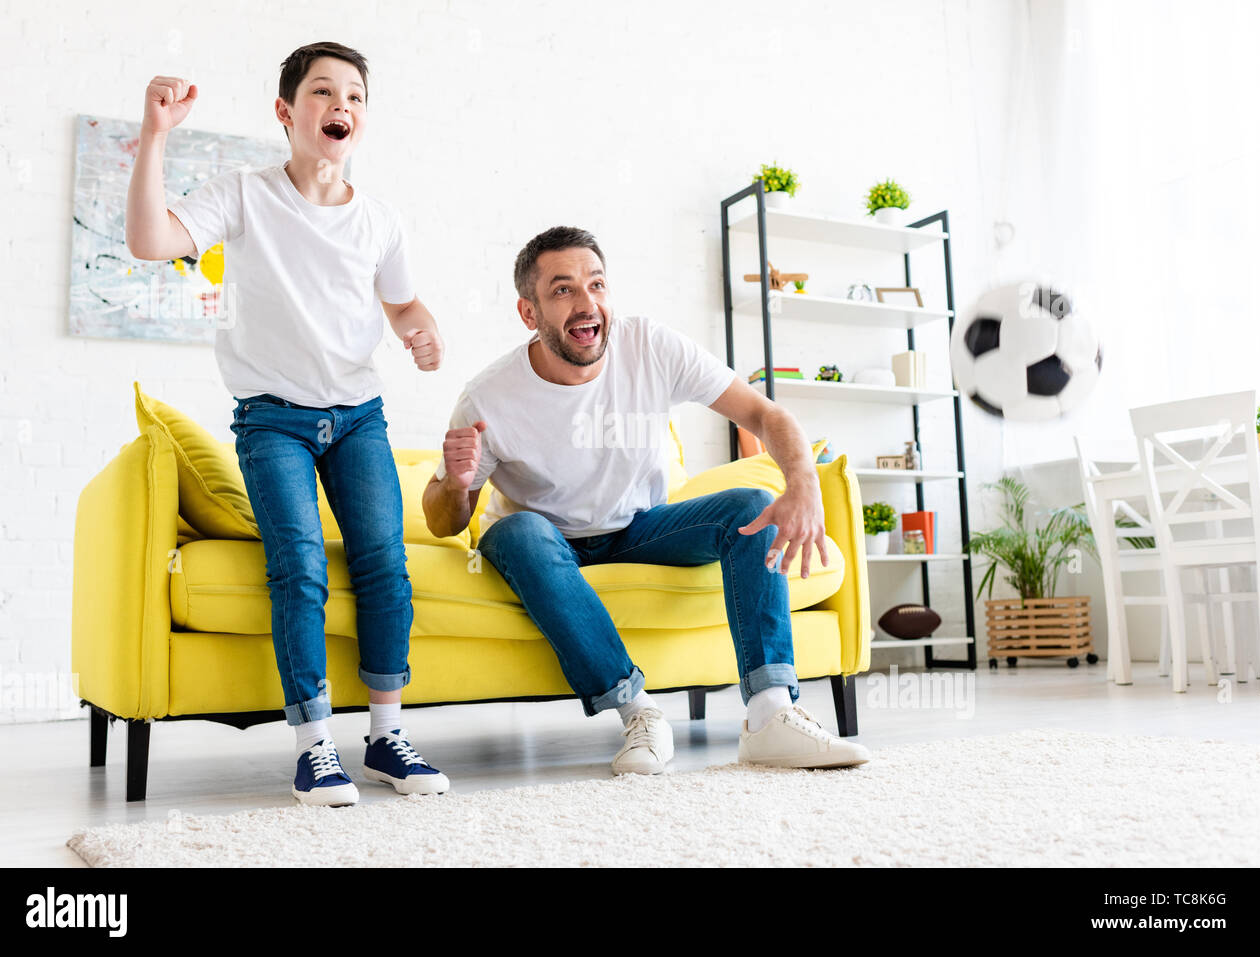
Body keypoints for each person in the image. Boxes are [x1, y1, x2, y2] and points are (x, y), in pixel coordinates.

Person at [126, 42, 449, 805]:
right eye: (323, 92)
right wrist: (156, 134)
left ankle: (385, 736)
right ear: (286, 112)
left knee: (383, 561)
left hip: (360, 415)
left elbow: (402, 303)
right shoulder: (245, 193)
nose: (342, 105)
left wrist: (421, 329)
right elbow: (150, 241)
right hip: (273, 420)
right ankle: (313, 744)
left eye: (356, 97)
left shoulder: (379, 220)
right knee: (299, 562)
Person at [422, 226, 871, 775]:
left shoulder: (651, 346)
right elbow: (444, 521)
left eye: (597, 284)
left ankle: (772, 715)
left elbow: (764, 415)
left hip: (638, 531)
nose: (587, 304)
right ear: (528, 312)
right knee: (517, 530)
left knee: (753, 503)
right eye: (563, 290)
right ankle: (638, 712)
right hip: (544, 543)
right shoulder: (489, 395)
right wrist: (455, 483)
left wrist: (803, 482)